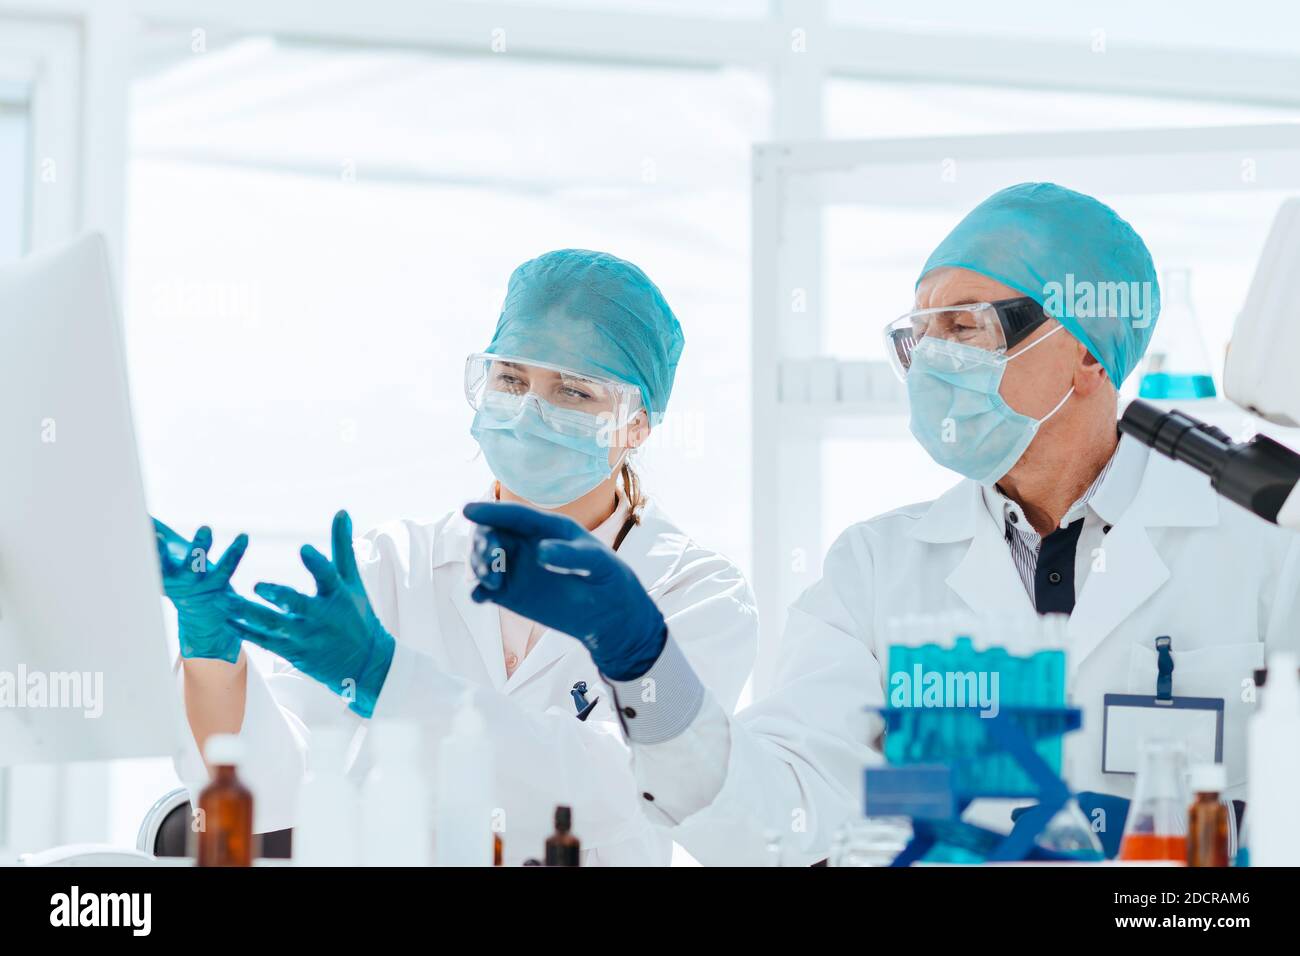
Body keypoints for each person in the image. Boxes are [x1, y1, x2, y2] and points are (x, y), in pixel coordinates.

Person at [464, 184, 1300, 865]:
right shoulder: (876, 570)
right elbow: (778, 818)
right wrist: (649, 665)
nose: (932, 358)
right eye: (919, 333)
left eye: (965, 326)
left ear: (1089, 349)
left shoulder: (1267, 544)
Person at [154, 249, 757, 865]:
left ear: (637, 426)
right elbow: (272, 789)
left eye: (573, 391)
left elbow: (619, 792)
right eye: (512, 380)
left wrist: (384, 677)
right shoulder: (394, 564)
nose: (529, 411)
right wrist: (213, 660)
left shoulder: (696, 592)